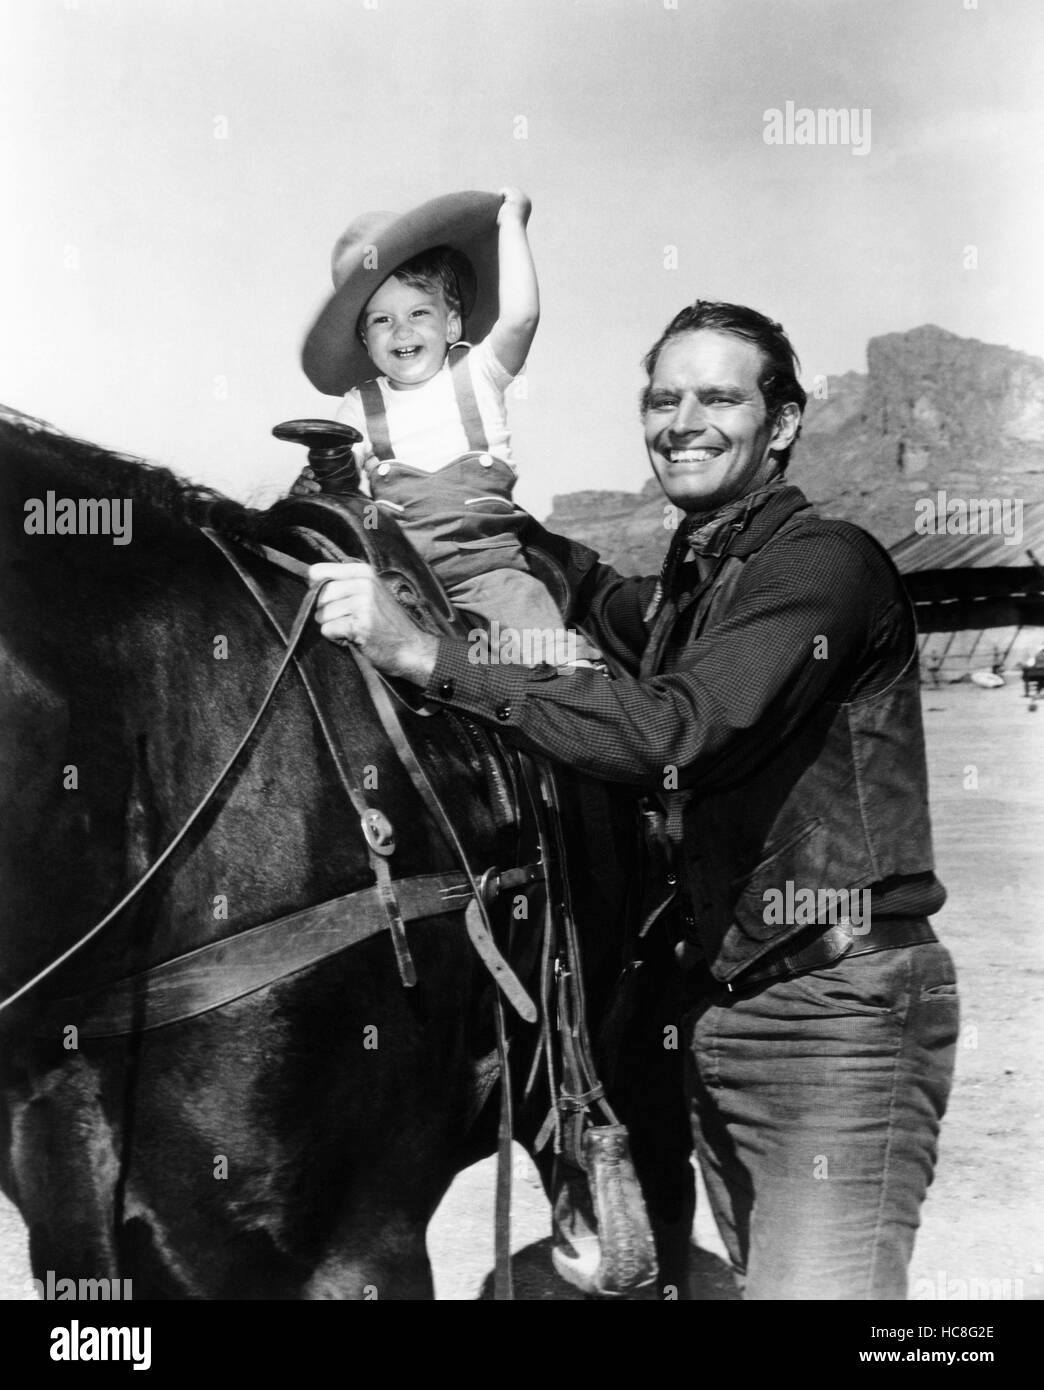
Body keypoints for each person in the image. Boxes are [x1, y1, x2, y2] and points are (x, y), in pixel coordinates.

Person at [309, 300, 959, 1301]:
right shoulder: (688, 594)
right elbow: (580, 582)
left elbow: (669, 732)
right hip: (725, 1013)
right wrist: (447, 498)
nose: (682, 419)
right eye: (663, 397)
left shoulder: (823, 567)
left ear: (781, 423)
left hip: (838, 1013)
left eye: (717, 396)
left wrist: (424, 654)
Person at [297, 187, 598, 666]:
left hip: (489, 576)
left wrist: (513, 224)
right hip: (401, 579)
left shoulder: (477, 375)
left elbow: (521, 317)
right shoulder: (360, 405)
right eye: (382, 320)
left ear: (452, 324)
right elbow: (334, 482)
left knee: (555, 672)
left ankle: (584, 703)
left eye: (419, 312)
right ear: (365, 341)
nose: (402, 330)